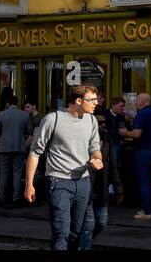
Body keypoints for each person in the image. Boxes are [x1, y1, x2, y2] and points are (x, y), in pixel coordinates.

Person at [25, 84, 104, 251]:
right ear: (78, 100)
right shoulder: (53, 119)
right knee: (62, 234)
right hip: (59, 181)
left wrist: (97, 159)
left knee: (76, 233)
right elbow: (34, 152)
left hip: (83, 182)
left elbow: (95, 148)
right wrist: (29, 184)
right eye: (92, 100)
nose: (96, 103)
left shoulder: (91, 120)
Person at [80, 108, 122, 250]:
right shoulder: (82, 138)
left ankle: (78, 242)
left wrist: (118, 187)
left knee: (102, 222)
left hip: (101, 186)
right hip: (86, 186)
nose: (102, 126)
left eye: (104, 122)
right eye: (98, 122)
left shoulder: (106, 137)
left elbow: (112, 163)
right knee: (88, 224)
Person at [120, 92, 151, 220]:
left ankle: (147, 211)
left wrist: (125, 132)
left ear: (143, 102)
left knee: (144, 181)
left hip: (144, 151)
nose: (135, 103)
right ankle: (148, 207)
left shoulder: (141, 114)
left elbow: (137, 134)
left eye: (137, 101)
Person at [0, 94, 31, 205]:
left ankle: (2, 196)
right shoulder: (24, 115)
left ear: (7, 103)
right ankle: (16, 197)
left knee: (4, 172)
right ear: (17, 103)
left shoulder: (2, 114)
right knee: (17, 173)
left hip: (4, 147)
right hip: (19, 147)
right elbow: (29, 130)